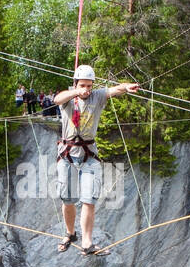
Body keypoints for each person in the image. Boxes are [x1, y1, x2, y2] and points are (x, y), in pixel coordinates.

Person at [53, 65, 140, 255]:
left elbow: (114, 90)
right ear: (76, 83)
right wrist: (76, 91)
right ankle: (70, 233)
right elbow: (57, 99)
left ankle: (87, 243)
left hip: (89, 155)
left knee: (89, 199)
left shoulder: (97, 97)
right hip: (67, 154)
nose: (86, 89)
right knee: (67, 200)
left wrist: (126, 87)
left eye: (89, 86)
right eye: (83, 85)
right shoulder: (68, 99)